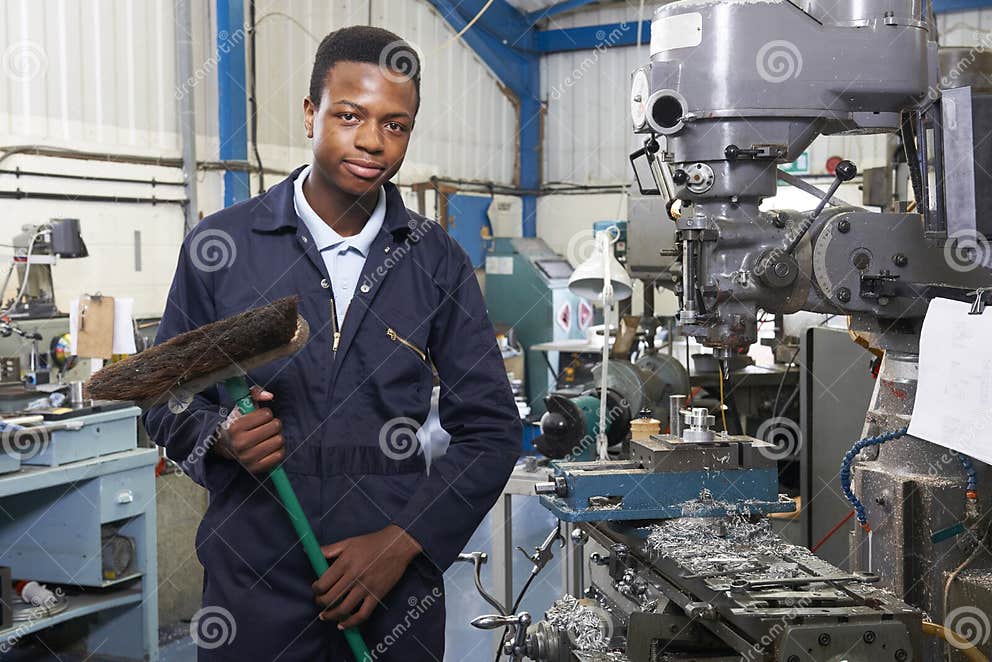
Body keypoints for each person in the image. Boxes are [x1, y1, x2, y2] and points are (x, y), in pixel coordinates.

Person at [145, 25, 521, 660]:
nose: (373, 141)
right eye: (350, 116)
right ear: (310, 113)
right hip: (253, 585)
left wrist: (403, 542)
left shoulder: (436, 261)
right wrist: (221, 437)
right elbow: (163, 400)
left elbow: (490, 429)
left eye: (396, 125)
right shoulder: (222, 249)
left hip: (390, 589)